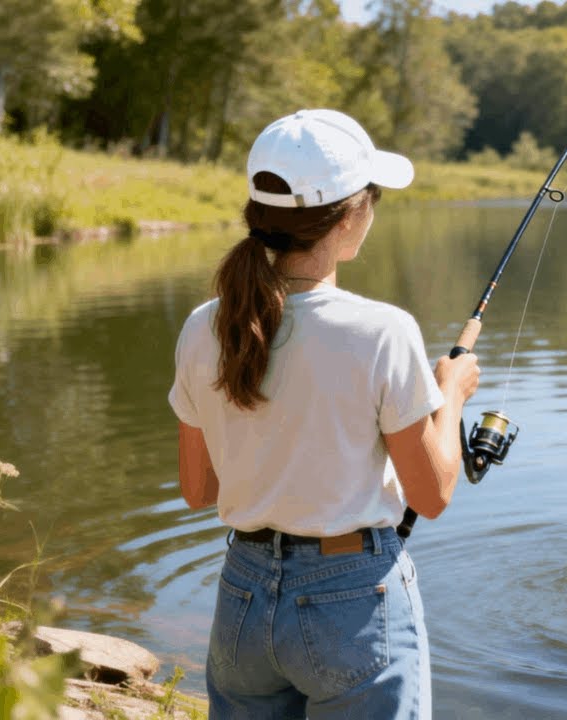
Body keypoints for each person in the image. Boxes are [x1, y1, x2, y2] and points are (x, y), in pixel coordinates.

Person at [168, 108, 480, 719]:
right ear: (349, 216)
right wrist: (452, 395)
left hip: (242, 596)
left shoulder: (202, 326)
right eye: (374, 197)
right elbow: (433, 493)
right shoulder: (383, 331)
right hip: (352, 599)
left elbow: (198, 490)